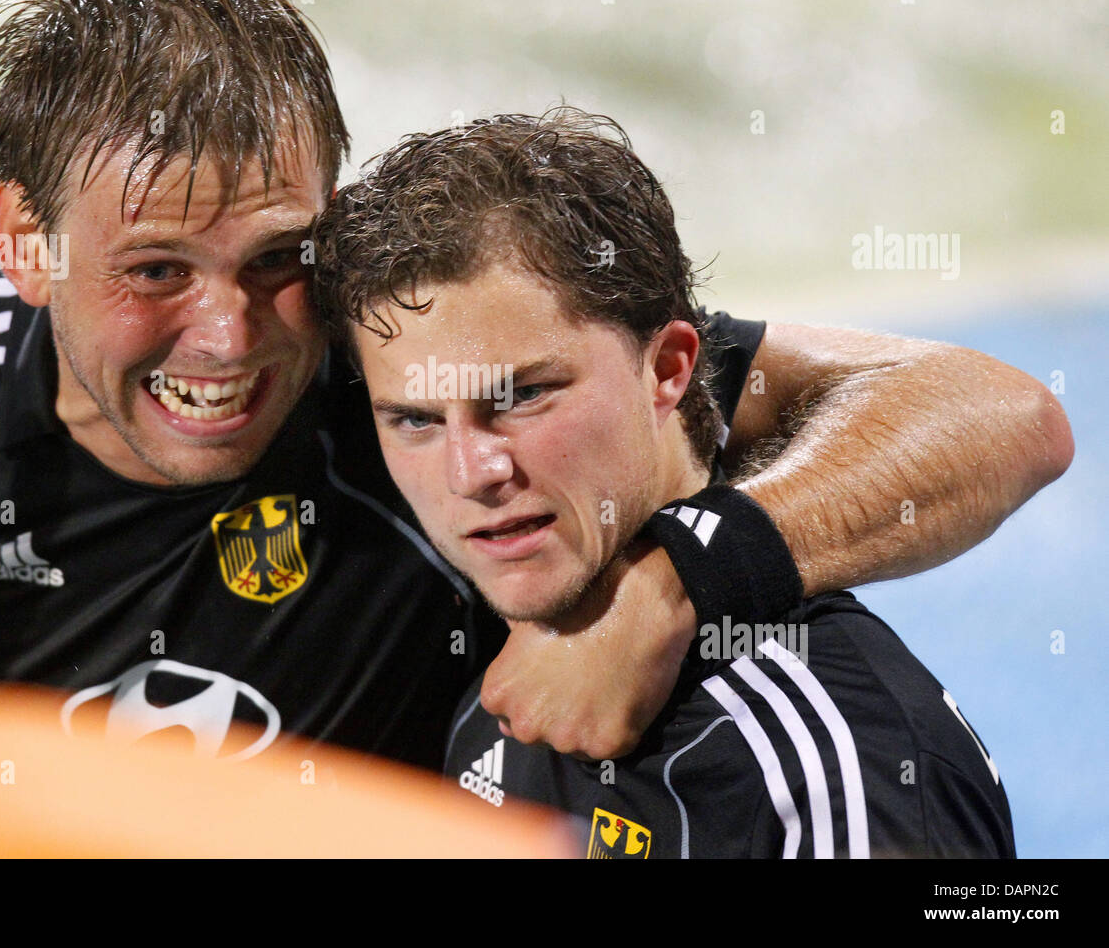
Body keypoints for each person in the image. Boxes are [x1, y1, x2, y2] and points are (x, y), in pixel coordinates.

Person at [0, 0, 1071, 771]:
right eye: (154, 270)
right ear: (23, 243)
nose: (230, 336)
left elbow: (993, 409)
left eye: (279, 258)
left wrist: (675, 581)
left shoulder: (412, 359)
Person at [313, 109, 1027, 856]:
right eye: (415, 420)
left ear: (667, 368)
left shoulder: (830, 766)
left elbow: (1012, 413)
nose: (472, 474)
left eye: (523, 395)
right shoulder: (499, 661)